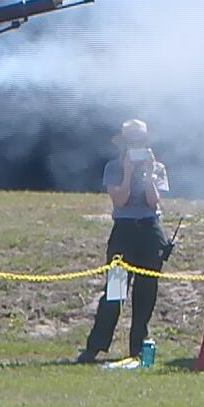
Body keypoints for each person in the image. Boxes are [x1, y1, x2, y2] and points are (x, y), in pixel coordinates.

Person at [77, 119, 170, 364]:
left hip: (150, 233)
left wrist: (148, 174)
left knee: (146, 292)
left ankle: (137, 348)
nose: (135, 147)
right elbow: (119, 200)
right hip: (124, 234)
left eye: (140, 142)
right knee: (114, 292)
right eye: (131, 142)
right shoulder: (113, 168)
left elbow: (153, 201)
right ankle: (95, 346)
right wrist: (128, 173)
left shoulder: (158, 168)